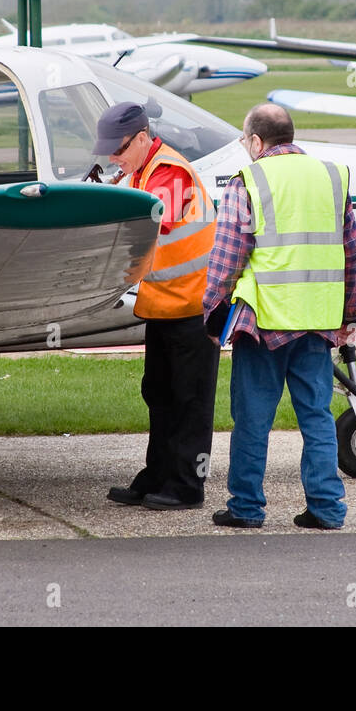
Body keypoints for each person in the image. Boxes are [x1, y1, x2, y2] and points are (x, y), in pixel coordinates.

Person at [203, 104, 356, 530]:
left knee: (254, 419)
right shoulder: (332, 177)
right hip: (318, 321)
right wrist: (351, 315)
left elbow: (227, 256)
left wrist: (211, 310)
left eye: (244, 142)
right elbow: (351, 252)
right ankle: (327, 509)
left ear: (256, 142)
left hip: (265, 323)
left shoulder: (249, 181)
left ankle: (247, 508)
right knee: (316, 416)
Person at [93, 101, 219, 511]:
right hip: (165, 306)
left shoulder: (170, 171)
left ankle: (186, 487)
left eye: (119, 149)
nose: (113, 158)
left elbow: (151, 221)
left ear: (143, 138)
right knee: (160, 394)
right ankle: (157, 476)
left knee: (190, 401)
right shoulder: (142, 171)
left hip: (193, 309)